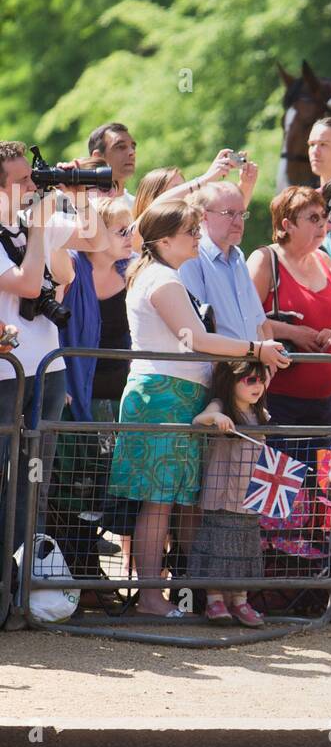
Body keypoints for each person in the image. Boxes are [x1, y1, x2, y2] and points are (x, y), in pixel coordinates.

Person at [108, 199, 287, 618]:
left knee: (174, 501)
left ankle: (176, 594)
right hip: (163, 396)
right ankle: (152, 598)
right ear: (165, 239)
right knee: (160, 502)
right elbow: (196, 339)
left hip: (174, 394)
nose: (196, 237)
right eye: (189, 231)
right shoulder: (162, 280)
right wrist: (254, 348)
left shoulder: (160, 275)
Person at [0, 141, 113, 616]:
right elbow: (27, 285)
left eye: (35, 177)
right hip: (7, 371)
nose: (32, 187)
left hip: (49, 366)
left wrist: (76, 191)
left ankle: (23, 587)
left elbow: (98, 243)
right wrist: (43, 225)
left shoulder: (36, 219)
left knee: (34, 478)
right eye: (23, 180)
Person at [51, 197, 135, 584]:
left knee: (100, 486)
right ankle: (68, 571)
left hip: (118, 400)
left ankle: (89, 570)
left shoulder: (133, 274)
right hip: (75, 397)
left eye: (131, 228)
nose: (131, 237)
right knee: (69, 487)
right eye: (121, 230)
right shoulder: (71, 268)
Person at [247, 187, 331, 446]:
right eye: (313, 218)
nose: (322, 223)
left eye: (324, 216)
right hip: (279, 402)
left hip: (329, 404)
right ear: (287, 224)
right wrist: (294, 332)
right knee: (282, 485)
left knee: (322, 486)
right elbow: (244, 320)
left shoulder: (325, 260)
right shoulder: (265, 260)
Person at [188, 358, 275, 628]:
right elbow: (198, 420)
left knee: (246, 547)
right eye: (250, 379)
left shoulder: (260, 413)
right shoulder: (222, 405)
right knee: (218, 544)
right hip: (222, 492)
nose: (257, 385)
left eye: (261, 380)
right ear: (232, 381)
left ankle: (240, 600)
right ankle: (214, 600)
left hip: (249, 495)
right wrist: (217, 417)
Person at [180, 182, 280, 343]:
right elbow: (197, 325)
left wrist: (264, 365)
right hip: (218, 365)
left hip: (249, 363)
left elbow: (259, 322)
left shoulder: (237, 255)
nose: (238, 222)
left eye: (241, 214)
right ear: (204, 216)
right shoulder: (192, 257)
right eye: (229, 213)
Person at [87, 123, 138, 209]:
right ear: (97, 157)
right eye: (121, 147)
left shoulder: (139, 208)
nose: (132, 152)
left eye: (133, 147)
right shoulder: (75, 205)